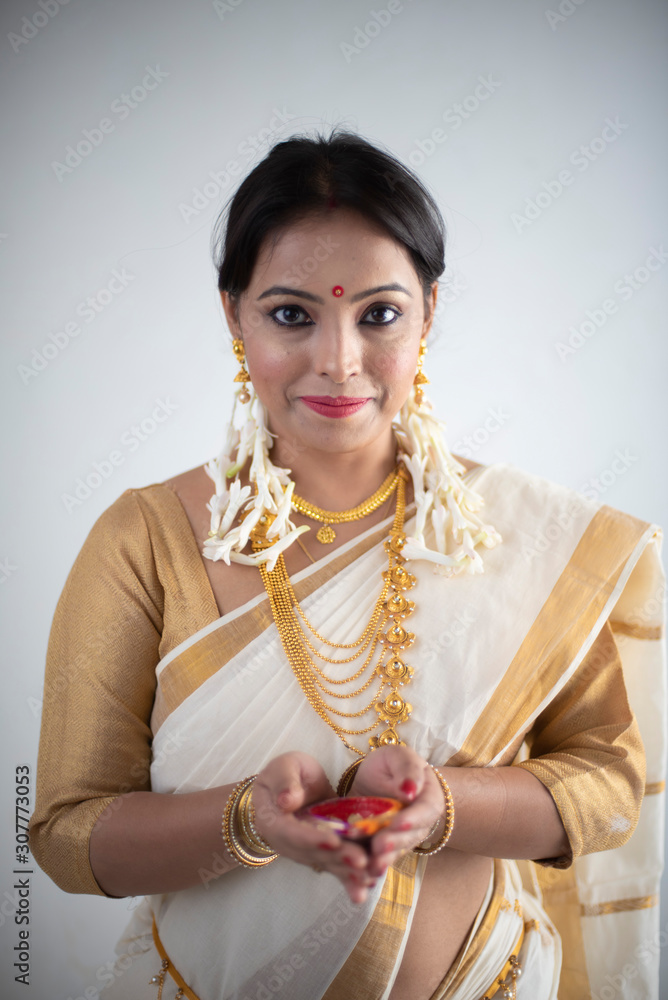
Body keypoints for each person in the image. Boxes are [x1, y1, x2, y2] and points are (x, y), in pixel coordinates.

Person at [30, 130, 665, 1000]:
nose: (339, 360)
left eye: (379, 314)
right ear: (233, 314)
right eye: (293, 314)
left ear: (429, 315)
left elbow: (611, 786)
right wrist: (249, 821)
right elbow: (68, 835)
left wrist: (445, 807)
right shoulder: (145, 540)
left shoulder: (520, 535)